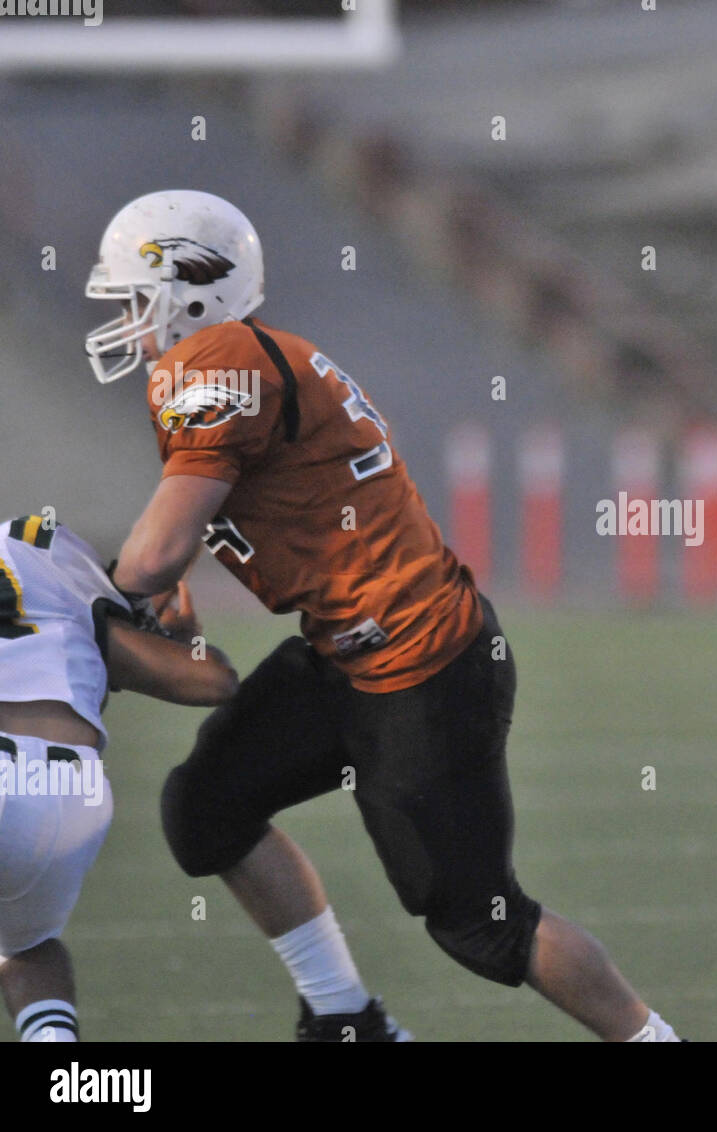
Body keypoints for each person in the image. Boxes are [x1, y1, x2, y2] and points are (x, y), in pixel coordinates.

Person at [84, 189, 680, 1041]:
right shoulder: (239, 360)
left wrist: (92, 602)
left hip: (421, 666)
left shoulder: (217, 363)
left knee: (481, 923)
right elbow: (209, 526)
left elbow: (151, 556)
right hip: (348, 652)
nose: (125, 321)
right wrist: (149, 589)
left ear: (188, 291)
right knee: (207, 806)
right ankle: (345, 1018)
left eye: (134, 299)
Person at [1, 513, 237, 1041]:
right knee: (26, 947)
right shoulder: (63, 591)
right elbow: (216, 681)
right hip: (70, 800)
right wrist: (181, 638)